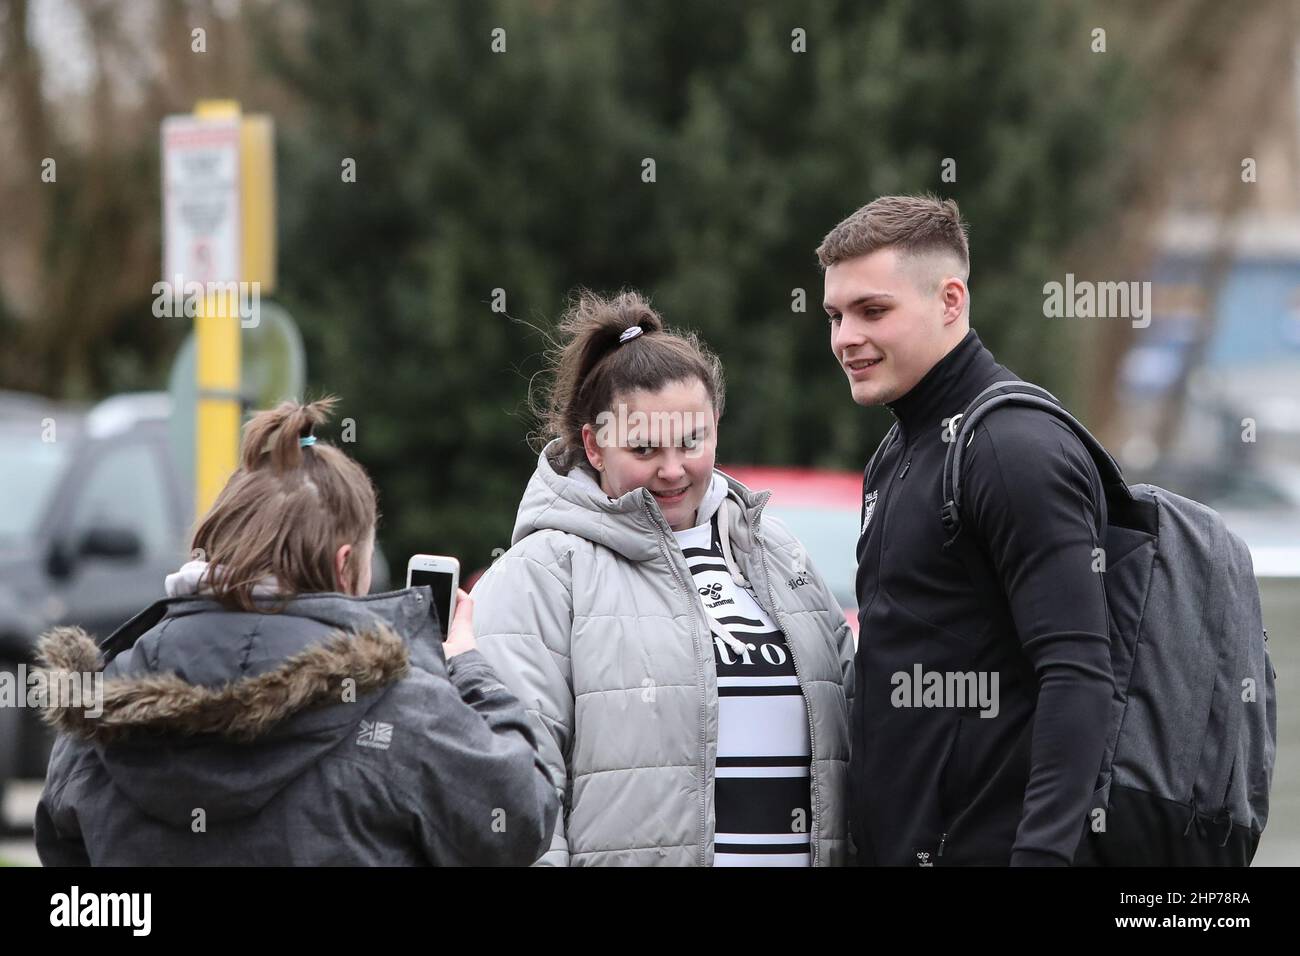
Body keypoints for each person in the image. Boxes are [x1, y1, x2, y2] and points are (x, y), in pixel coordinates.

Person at [34, 397, 557, 866]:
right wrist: (467, 668)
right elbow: (517, 819)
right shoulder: (401, 707)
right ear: (344, 564)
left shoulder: (102, 710)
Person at [471, 290, 854, 866]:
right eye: (645, 447)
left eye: (691, 441)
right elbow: (514, 789)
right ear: (595, 445)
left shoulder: (779, 555)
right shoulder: (541, 574)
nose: (673, 469)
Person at [819, 194, 1113, 866]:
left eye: (872, 311)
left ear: (951, 301)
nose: (844, 338)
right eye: (835, 315)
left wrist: (1040, 858)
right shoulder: (900, 450)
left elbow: (1078, 674)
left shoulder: (1014, 450)